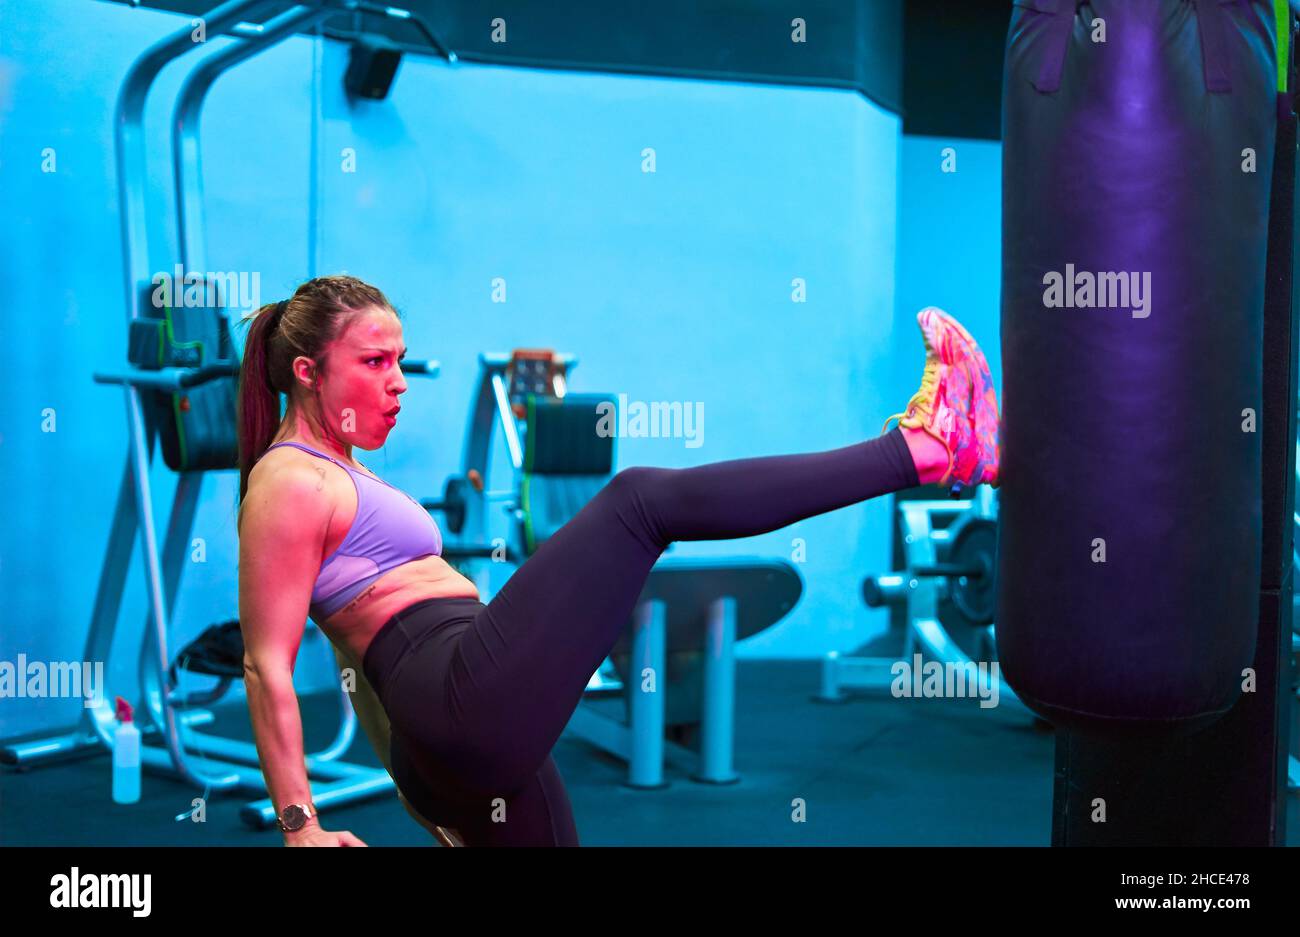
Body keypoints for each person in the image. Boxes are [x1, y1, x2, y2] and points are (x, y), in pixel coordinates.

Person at [235, 274, 1000, 847]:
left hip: (466, 705)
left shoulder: (337, 470)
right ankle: (924, 449)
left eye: (400, 359)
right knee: (639, 502)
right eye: (374, 361)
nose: (398, 381)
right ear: (307, 371)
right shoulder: (291, 479)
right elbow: (267, 663)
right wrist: (301, 824)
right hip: (457, 691)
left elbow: (365, 653)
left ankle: (938, 449)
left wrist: (424, 776)